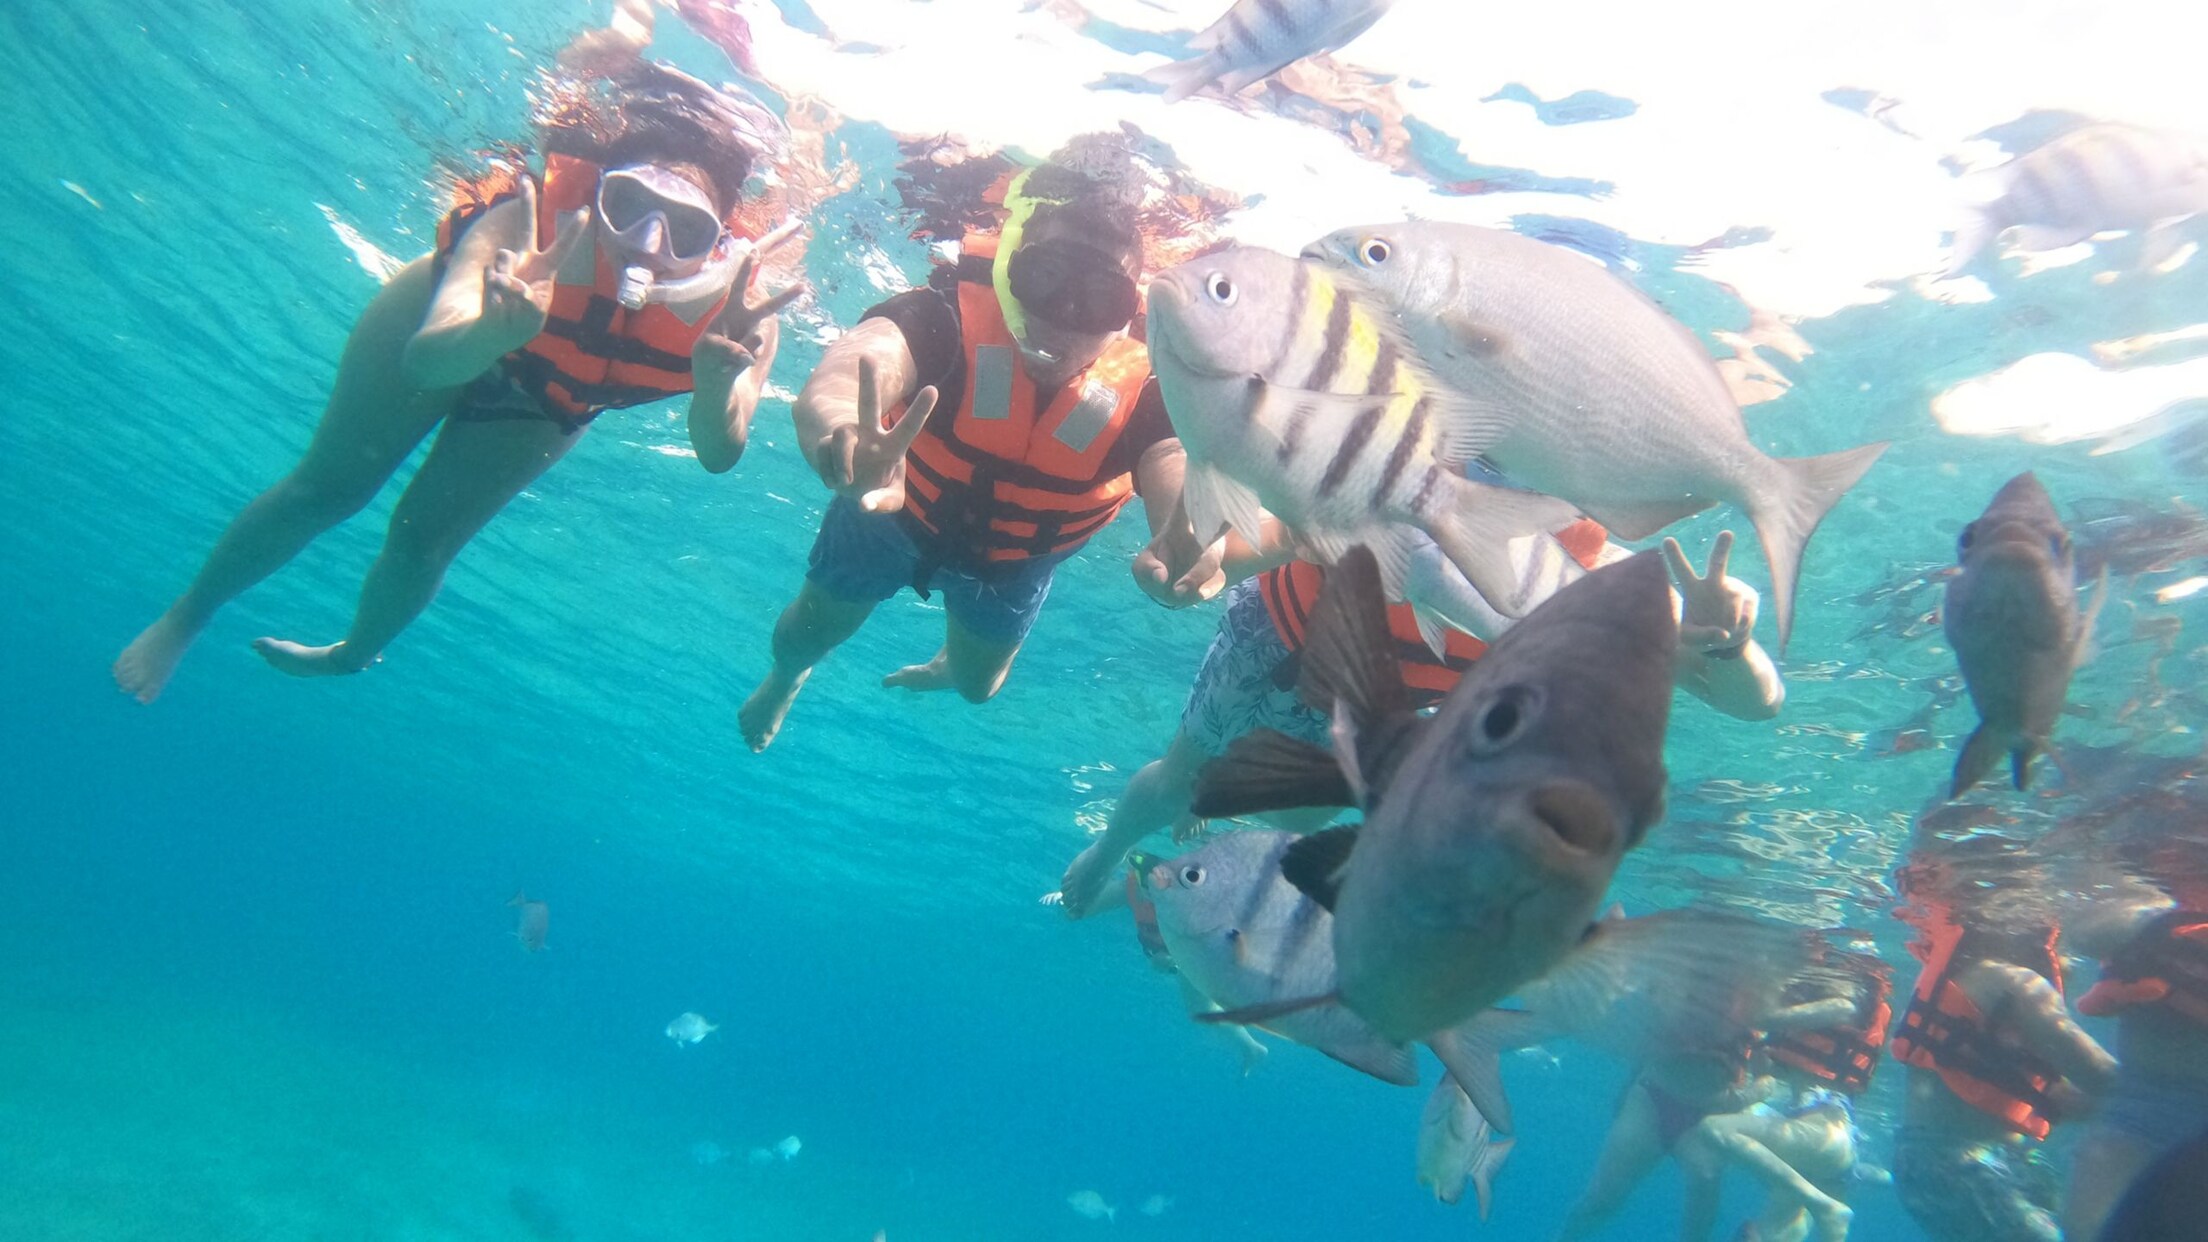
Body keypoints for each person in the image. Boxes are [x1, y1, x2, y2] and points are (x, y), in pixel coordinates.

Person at [112, 11, 801, 702]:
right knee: (327, 490)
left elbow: (719, 452)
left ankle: (353, 653)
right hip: (446, 328)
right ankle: (186, 616)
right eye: (629, 205)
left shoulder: (742, 311)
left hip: (543, 397)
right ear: (599, 191)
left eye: (685, 230)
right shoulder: (525, 219)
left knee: (424, 540)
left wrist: (716, 386)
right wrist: (491, 334)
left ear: (718, 242)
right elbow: (427, 362)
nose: (648, 244)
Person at [738, 143, 1219, 750]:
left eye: (1102, 298)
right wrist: (843, 436)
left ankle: (950, 666)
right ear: (1009, 269)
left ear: (1129, 313)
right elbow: (853, 370)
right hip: (884, 516)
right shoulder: (942, 318)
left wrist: (1190, 526)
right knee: (803, 637)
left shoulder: (1148, 387)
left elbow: (1173, 455)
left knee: (977, 688)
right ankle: (785, 679)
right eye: (1045, 277)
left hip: (1012, 566)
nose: (1065, 315)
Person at [1054, 524, 1787, 918]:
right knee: (1183, 781)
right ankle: (1106, 852)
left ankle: (1205, 847)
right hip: (1283, 636)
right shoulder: (1421, 479)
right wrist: (1217, 560)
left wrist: (1730, 643)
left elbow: (1756, 704)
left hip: (1377, 695)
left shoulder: (1600, 581)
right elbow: (1288, 521)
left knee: (1303, 817)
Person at [1886, 894, 2116, 1242]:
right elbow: (2099, 1075)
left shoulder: (1972, 984)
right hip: (1964, 1166)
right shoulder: (2014, 983)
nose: (2066, 956)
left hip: (1924, 1164)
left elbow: (2063, 1098)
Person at [2062, 873, 2208, 1238]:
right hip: (2138, 1112)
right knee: (2091, 1228)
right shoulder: (2151, 910)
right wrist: (2159, 912)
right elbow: (2085, 933)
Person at [1676, 1086, 1868, 1242]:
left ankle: (1822, 1204)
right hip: (1829, 1159)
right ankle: (1828, 1203)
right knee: (1768, 1235)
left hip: (1825, 1145)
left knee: (1716, 1128)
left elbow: (1763, 1089)